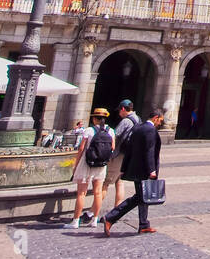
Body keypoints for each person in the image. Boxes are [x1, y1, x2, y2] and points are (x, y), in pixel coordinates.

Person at [103, 107, 164, 236]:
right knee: (140, 197)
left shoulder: (137, 128)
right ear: (155, 118)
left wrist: (124, 168)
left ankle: (143, 225)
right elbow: (149, 151)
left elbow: (128, 149)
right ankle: (110, 217)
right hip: (144, 170)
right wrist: (151, 170)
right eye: (160, 121)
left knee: (143, 197)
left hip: (135, 168)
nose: (160, 123)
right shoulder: (150, 130)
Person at [68, 108, 114, 228]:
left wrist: (76, 164)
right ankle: (94, 220)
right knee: (98, 193)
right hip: (101, 165)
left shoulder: (89, 130)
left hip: (87, 163)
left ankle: (75, 221)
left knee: (81, 193)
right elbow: (112, 148)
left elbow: (81, 148)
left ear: (94, 118)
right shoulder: (111, 131)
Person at [108, 100, 141, 208]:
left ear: (123, 109)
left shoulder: (126, 121)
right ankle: (117, 209)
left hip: (119, 155)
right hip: (129, 155)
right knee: (120, 181)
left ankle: (92, 213)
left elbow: (115, 135)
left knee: (105, 183)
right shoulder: (138, 119)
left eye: (119, 111)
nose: (119, 113)